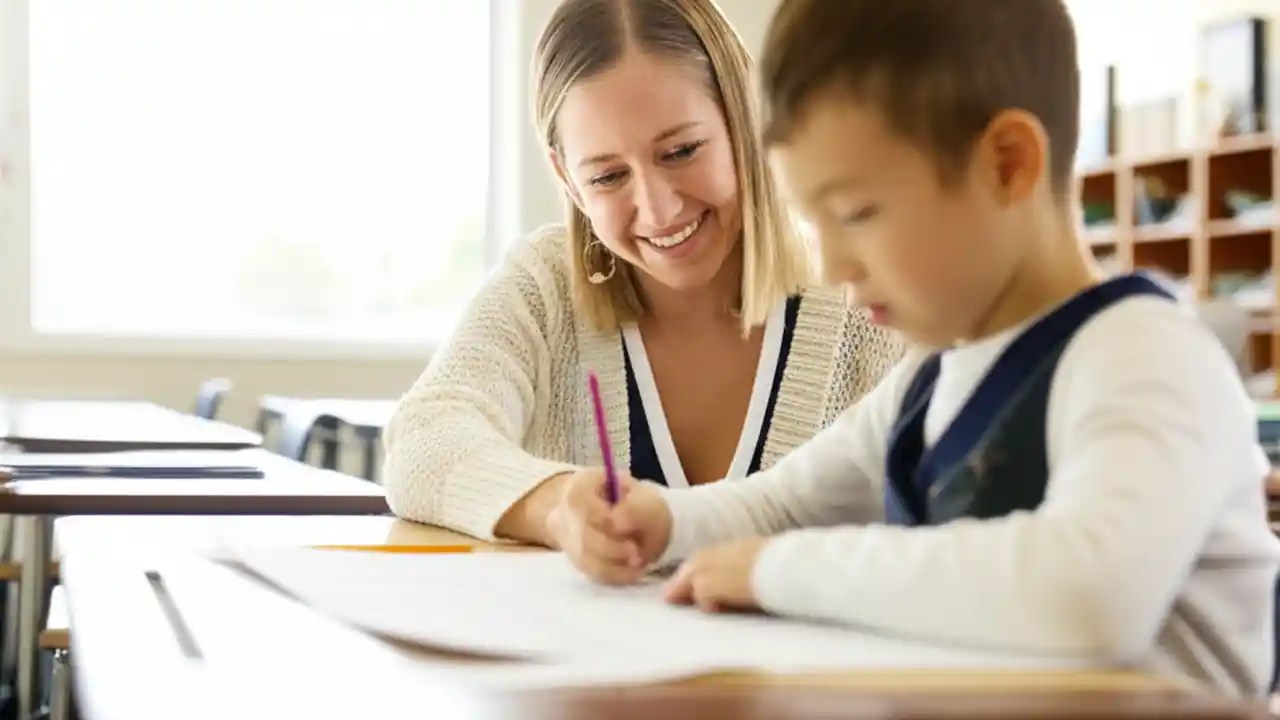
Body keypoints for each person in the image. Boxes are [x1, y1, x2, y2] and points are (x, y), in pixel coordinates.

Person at [580, 0, 1280, 697]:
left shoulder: (1142, 355)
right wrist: (662, 521)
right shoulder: (933, 375)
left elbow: (1087, 594)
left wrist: (775, 571)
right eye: (814, 222)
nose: (832, 268)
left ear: (1007, 165)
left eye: (856, 213)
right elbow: (784, 506)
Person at [381, 0, 902, 577]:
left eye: (681, 151)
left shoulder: (868, 294)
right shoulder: (546, 286)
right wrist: (554, 507)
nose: (657, 210)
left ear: (745, 118)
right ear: (569, 182)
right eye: (607, 176)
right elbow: (423, 439)